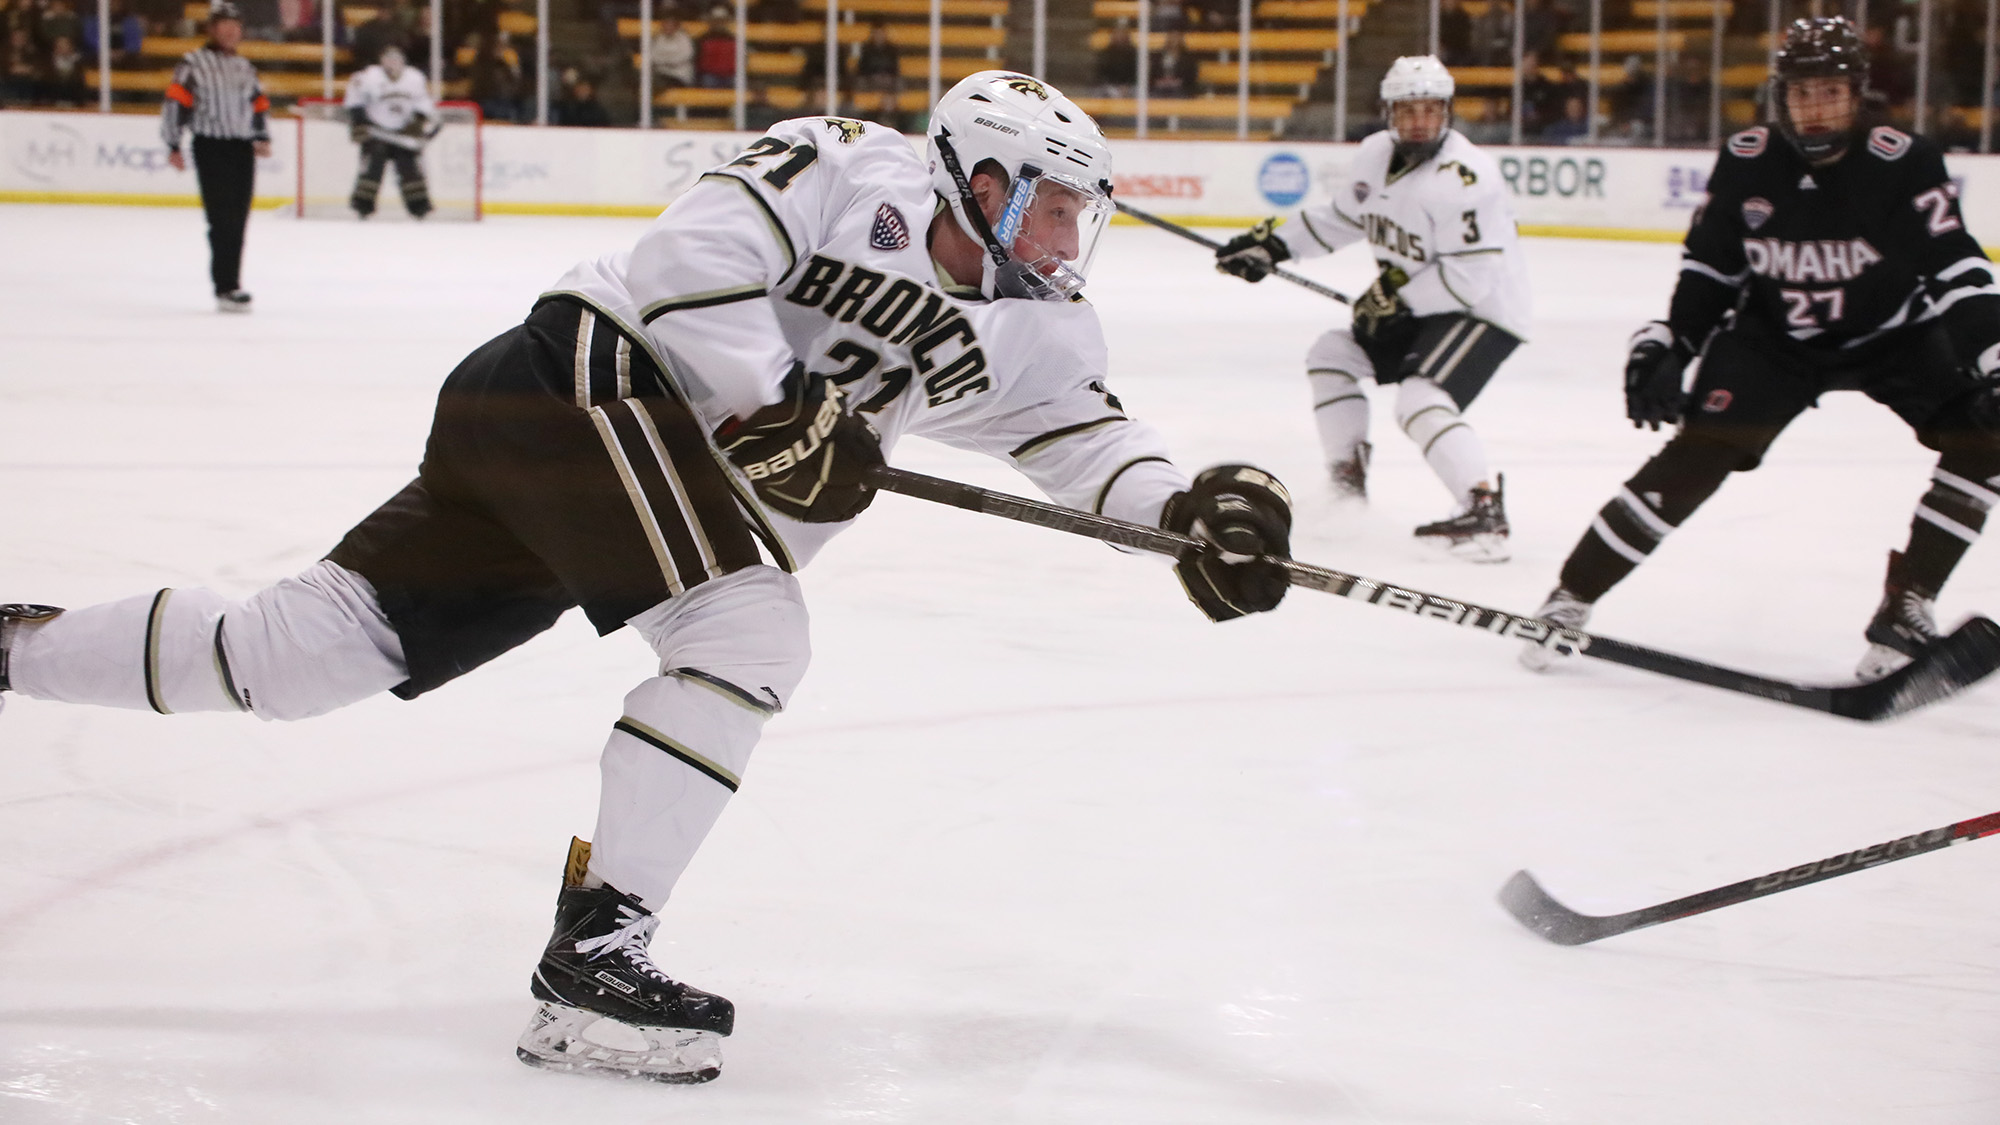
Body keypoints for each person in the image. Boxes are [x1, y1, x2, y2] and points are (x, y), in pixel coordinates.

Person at [0, 71, 1293, 1085]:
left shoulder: (1039, 323)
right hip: (584, 386)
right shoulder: (850, 167)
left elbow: (1081, 442)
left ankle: (11, 647)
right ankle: (596, 958)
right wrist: (772, 403)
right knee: (748, 627)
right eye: (1055, 205)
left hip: (600, 468)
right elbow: (684, 268)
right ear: (986, 177)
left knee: (298, 656)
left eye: (1084, 213)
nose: (1073, 236)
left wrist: (1183, 512)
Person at [1521, 18, 2000, 678]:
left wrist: (1994, 354)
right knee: (1697, 454)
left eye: (1831, 92)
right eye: (1802, 94)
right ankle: (1570, 598)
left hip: (1896, 336)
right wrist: (1675, 341)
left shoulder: (1903, 161)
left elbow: (1955, 266)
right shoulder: (1749, 159)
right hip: (1775, 340)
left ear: (1858, 94)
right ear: (1780, 98)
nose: (1816, 109)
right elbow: (1712, 267)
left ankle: (1908, 602)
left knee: (1988, 436)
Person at [1214, 56, 1530, 561]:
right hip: (1417, 306)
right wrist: (1274, 248)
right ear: (1388, 113)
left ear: (1447, 111)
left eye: (1431, 109)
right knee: (1331, 356)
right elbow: (1341, 219)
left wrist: (1395, 301)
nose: (1420, 121)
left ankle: (1483, 510)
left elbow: (1471, 279)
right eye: (1408, 111)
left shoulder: (1467, 178)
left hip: (1483, 309)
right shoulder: (1374, 154)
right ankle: (1347, 486)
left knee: (1420, 399)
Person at [160, 0, 270, 313]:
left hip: (241, 148)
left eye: (236, 26)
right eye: (224, 25)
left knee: (239, 218)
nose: (231, 31)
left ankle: (232, 282)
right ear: (211, 29)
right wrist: (173, 143)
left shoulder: (244, 66)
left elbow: (259, 102)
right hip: (211, 145)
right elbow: (175, 103)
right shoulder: (192, 63)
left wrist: (261, 135)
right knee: (222, 218)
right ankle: (226, 285)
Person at [343, 44, 436, 218]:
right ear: (381, 61)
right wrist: (359, 122)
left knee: (409, 168)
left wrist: (416, 124)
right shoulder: (367, 77)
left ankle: (419, 206)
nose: (393, 63)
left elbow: (423, 105)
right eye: (389, 59)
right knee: (373, 165)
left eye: (397, 59)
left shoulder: (414, 78)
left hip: (403, 134)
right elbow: (355, 102)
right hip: (376, 132)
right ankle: (363, 205)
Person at [648, 13, 693, 89]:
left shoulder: (684, 39)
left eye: (670, 25)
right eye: (666, 24)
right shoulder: (658, 38)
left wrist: (664, 61)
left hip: (678, 75)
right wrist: (667, 60)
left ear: (676, 26)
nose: (668, 27)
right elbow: (653, 56)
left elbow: (685, 56)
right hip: (660, 73)